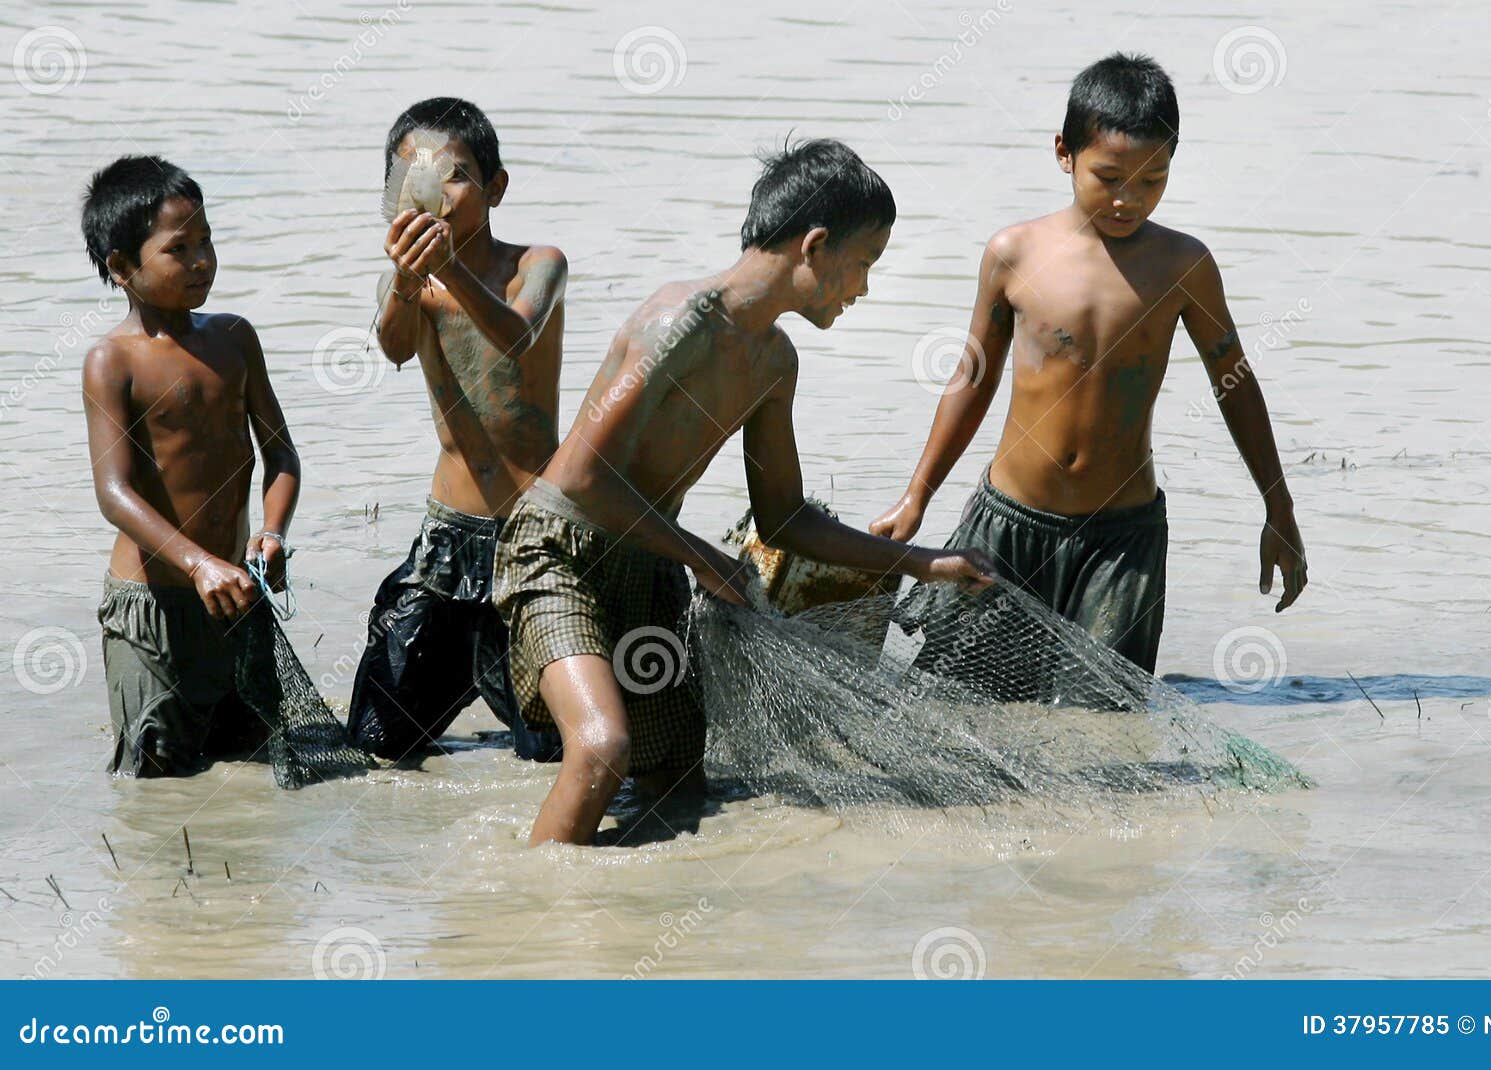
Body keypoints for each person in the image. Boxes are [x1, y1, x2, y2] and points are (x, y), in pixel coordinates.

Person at [493, 138, 996, 845]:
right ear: (814, 247)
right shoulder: (680, 323)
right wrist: (704, 558)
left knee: (676, 780)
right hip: (557, 549)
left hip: (646, 560)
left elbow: (784, 518)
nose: (864, 288)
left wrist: (924, 562)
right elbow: (580, 481)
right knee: (602, 751)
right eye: (864, 263)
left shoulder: (773, 362)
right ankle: (531, 919)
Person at [871, 53, 1307, 672]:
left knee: (1103, 724)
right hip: (1008, 526)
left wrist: (1279, 509)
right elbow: (973, 376)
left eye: (1152, 181)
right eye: (1109, 177)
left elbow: (1233, 385)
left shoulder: (1184, 267)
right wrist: (917, 495)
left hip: (1121, 543)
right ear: (1063, 154)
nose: (1129, 200)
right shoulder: (1013, 252)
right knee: (959, 702)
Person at [348, 98, 567, 762]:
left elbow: (517, 335)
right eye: (414, 176)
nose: (434, 192)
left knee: (551, 747)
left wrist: (446, 269)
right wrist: (409, 282)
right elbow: (392, 347)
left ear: (496, 187)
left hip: (530, 534)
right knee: (380, 741)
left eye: (456, 174)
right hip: (447, 538)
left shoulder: (537, 263)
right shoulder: (411, 281)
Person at [80, 155, 301, 776]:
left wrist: (272, 531)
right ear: (122, 268)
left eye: (207, 240)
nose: (203, 260)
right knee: (154, 776)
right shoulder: (112, 361)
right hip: (154, 605)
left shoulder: (234, 338)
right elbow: (114, 492)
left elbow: (280, 454)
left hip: (234, 595)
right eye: (179, 249)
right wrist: (198, 562)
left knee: (251, 764)